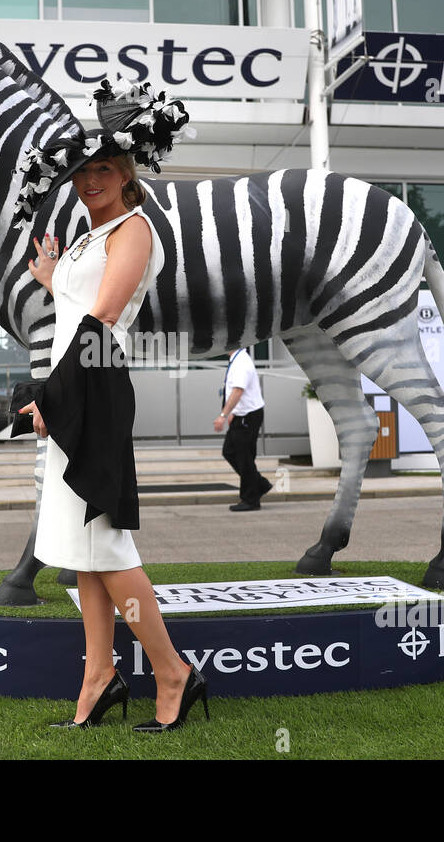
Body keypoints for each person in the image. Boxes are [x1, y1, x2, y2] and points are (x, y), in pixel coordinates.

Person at [18, 144, 207, 732]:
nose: (90, 179)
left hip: (94, 384)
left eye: (102, 168)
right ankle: (98, 677)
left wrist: (54, 395)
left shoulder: (133, 228)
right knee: (85, 551)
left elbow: (102, 322)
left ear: (126, 173)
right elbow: (81, 307)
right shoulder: (88, 235)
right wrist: (55, 280)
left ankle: (172, 671)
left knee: (107, 548)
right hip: (78, 380)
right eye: (81, 171)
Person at [214, 346, 272, 511]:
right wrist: (232, 412)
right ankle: (259, 484)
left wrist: (223, 415)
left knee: (244, 457)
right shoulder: (237, 360)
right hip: (241, 415)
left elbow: (238, 391)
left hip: (248, 416)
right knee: (230, 451)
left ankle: (251, 499)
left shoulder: (242, 362)